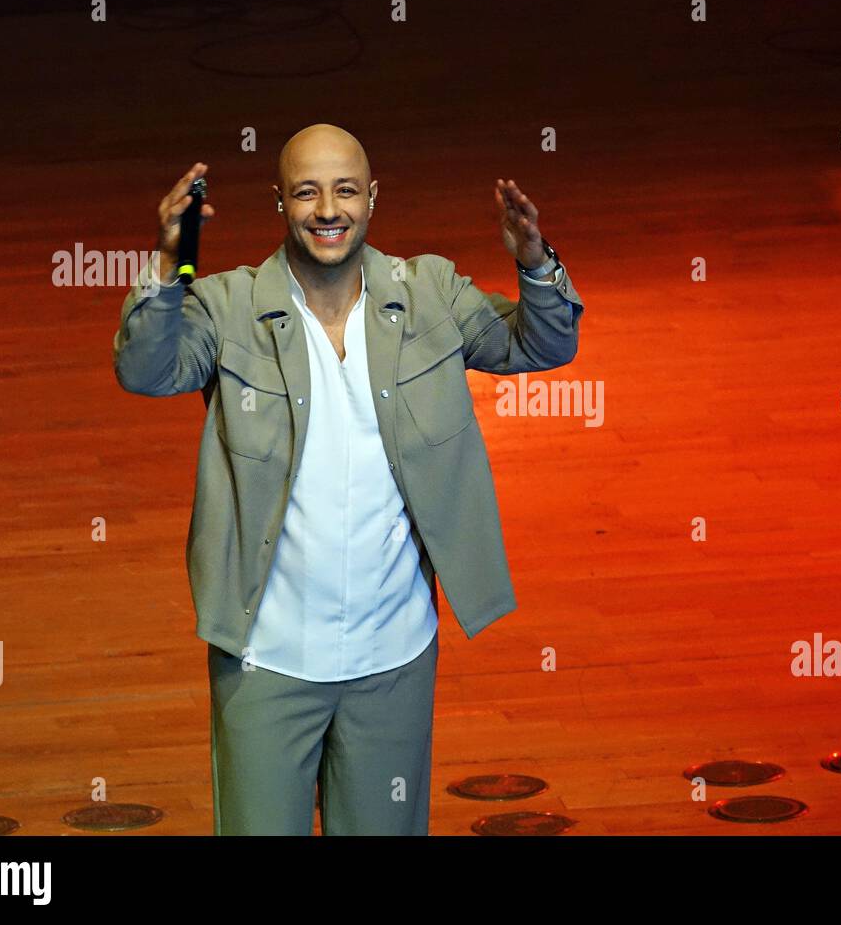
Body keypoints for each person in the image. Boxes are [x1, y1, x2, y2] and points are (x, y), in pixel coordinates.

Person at [112, 123, 583, 834]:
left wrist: (535, 262)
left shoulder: (429, 291)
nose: (327, 209)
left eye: (344, 190)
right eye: (306, 192)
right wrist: (169, 261)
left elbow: (544, 342)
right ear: (279, 202)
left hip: (392, 659)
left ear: (372, 198)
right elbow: (144, 370)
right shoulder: (229, 307)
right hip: (267, 659)